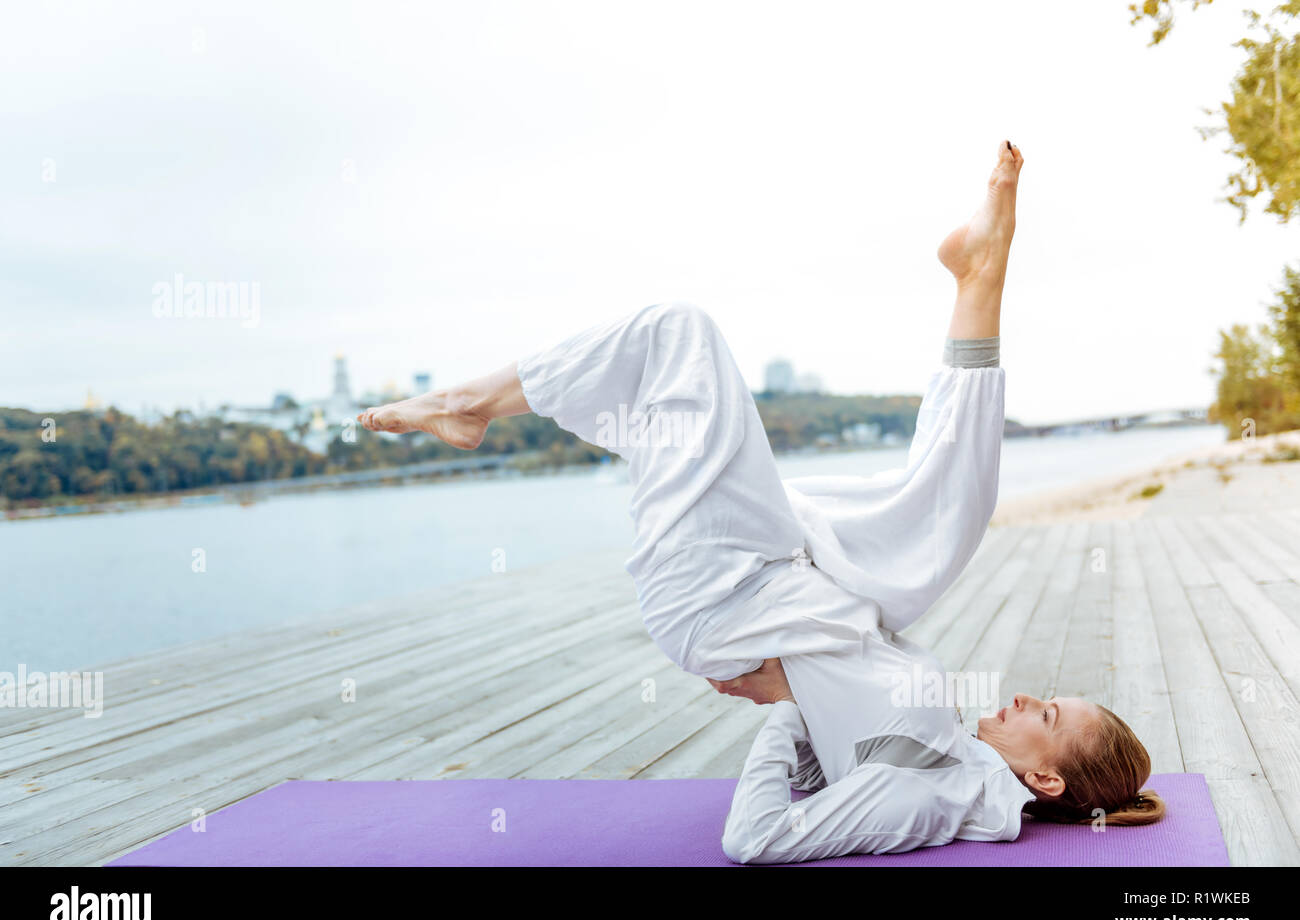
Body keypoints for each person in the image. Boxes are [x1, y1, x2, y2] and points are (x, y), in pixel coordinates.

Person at [358, 140, 1165, 864]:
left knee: (680, 334)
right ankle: (981, 275)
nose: (1028, 695)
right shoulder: (955, 750)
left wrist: (788, 700)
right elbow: (848, 720)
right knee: (946, 515)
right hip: (799, 579)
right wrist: (812, 693)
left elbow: (758, 840)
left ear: (1045, 782)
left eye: (1048, 716)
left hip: (723, 600)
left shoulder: (933, 794)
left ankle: (470, 406)